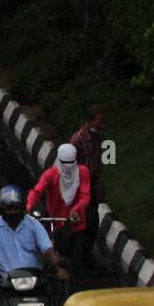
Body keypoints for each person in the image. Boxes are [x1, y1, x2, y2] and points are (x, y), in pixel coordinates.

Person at [0, 185, 69, 297]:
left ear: (22, 208)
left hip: (35, 284)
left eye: (16, 208)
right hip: (3, 286)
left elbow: (47, 250)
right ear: (2, 210)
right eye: (9, 209)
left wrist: (58, 266)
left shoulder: (34, 225)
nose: (13, 212)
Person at [27, 144, 91, 267]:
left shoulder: (83, 172)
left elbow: (85, 195)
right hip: (56, 222)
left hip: (76, 222)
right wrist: (29, 206)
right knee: (52, 254)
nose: (67, 167)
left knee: (76, 259)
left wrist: (76, 209)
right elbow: (37, 191)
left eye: (71, 163)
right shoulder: (50, 174)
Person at [70, 106, 106, 267]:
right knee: (88, 221)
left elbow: (96, 161)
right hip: (80, 189)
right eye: (99, 121)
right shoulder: (78, 139)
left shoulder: (97, 137)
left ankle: (84, 254)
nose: (101, 124)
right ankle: (81, 257)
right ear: (90, 120)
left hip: (91, 187)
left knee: (92, 222)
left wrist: (97, 183)